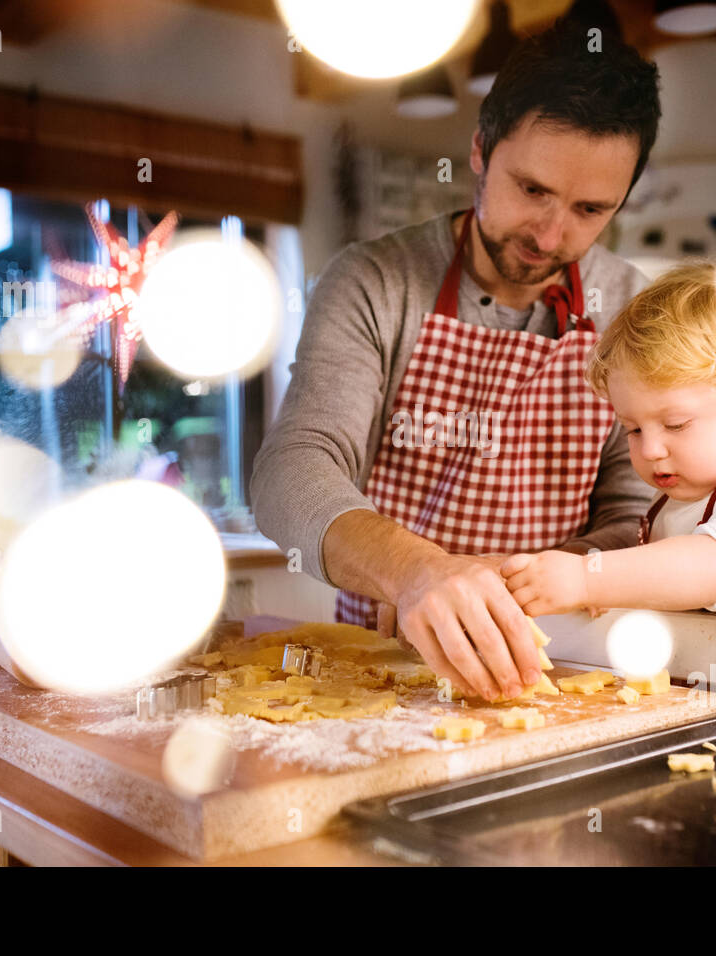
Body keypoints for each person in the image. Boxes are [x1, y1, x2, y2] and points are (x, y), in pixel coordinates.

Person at [250, 17, 662, 701]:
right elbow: (291, 472)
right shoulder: (375, 281)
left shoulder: (630, 308)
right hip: (380, 672)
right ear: (479, 149)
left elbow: (639, 518)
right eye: (531, 190)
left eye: (591, 209)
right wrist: (414, 573)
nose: (552, 234)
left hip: (560, 674)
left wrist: (512, 582)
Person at [500, 263, 716, 679]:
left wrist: (590, 579)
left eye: (675, 425)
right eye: (633, 429)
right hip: (696, 698)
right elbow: (662, 585)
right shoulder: (676, 499)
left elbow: (711, 568)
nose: (651, 449)